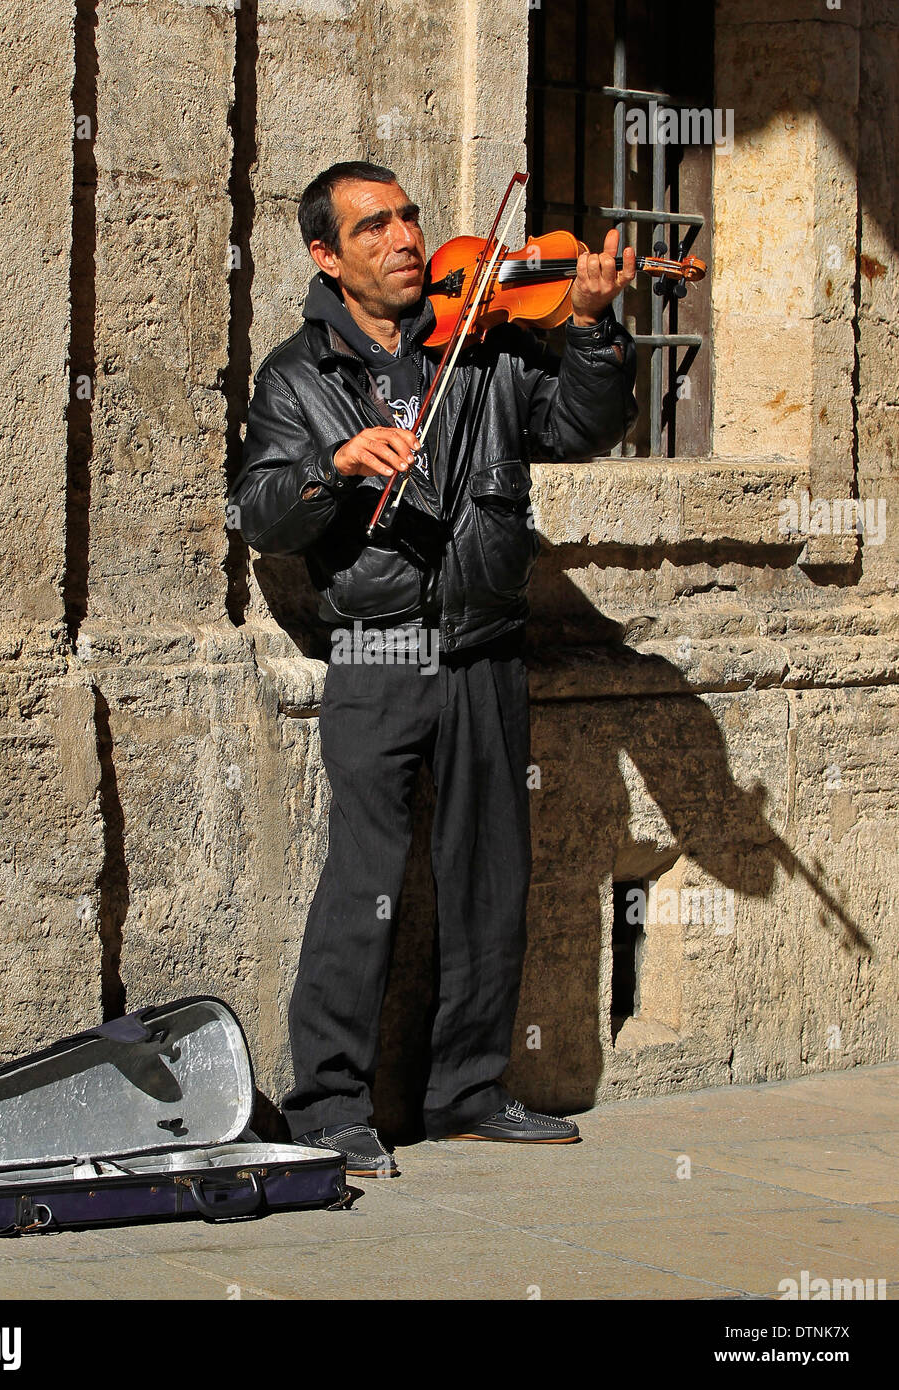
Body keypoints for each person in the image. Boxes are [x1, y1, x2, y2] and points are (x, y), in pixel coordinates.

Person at [229, 161, 638, 1178]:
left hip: (485, 644)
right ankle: (328, 1101)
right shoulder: (298, 375)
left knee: (491, 875)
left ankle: (466, 1091)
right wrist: (335, 467)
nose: (405, 238)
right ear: (327, 254)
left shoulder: (489, 346)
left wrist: (589, 326)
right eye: (374, 227)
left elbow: (587, 426)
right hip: (377, 646)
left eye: (409, 218)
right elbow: (260, 511)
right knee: (363, 879)